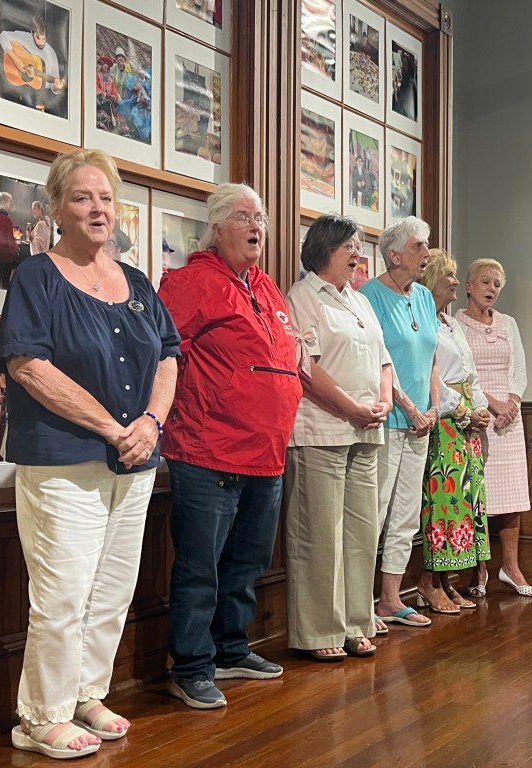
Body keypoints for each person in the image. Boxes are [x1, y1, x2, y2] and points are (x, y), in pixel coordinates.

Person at [0, 148, 180, 758]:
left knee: (111, 590)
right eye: (82, 197)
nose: (98, 208)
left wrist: (150, 422)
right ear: (54, 208)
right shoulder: (36, 276)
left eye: (105, 197)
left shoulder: (137, 282)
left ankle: (84, 694)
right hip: (63, 460)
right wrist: (112, 427)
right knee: (63, 592)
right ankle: (39, 715)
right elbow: (27, 365)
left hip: (137, 458)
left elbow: (169, 358)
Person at [158, 184, 302, 710]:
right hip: (207, 450)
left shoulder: (267, 287)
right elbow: (161, 354)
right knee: (201, 565)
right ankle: (191, 665)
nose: (256, 225)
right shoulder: (190, 282)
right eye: (244, 216)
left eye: (260, 215)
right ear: (217, 228)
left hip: (267, 452)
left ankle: (230, 649)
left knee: (248, 561)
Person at [284, 214, 393, 661]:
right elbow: (305, 366)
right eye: (349, 245)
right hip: (322, 428)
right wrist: (350, 407)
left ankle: (356, 622)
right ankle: (320, 631)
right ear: (324, 248)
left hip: (368, 429)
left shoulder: (359, 300)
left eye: (360, 246)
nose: (357, 254)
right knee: (319, 535)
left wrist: (383, 402)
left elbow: (384, 360)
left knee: (362, 533)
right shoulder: (303, 296)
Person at [359, 216, 439, 628]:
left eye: (426, 246)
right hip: (388, 419)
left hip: (421, 421)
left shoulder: (424, 296)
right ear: (393, 254)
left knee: (407, 514)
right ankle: (359, 603)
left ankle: (390, 598)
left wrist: (432, 409)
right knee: (376, 510)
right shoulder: (368, 295)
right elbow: (375, 361)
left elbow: (432, 359)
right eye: (418, 246)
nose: (427, 253)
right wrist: (408, 407)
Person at [416, 249, 492, 613]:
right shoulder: (423, 321)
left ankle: (448, 580)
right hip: (443, 419)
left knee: (464, 503)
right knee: (441, 502)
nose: (454, 282)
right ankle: (428, 581)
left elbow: (470, 372)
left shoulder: (451, 323)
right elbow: (431, 377)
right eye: (448, 275)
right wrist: (460, 410)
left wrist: (479, 407)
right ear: (431, 278)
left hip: (466, 425)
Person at [456, 259, 532, 597]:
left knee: (512, 496)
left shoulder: (509, 323)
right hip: (478, 417)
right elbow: (459, 372)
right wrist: (491, 404)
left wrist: (512, 404)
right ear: (469, 286)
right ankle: (479, 569)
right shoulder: (455, 324)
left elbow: (519, 368)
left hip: (508, 421)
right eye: (485, 282)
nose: (492, 289)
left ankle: (511, 566)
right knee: (479, 495)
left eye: (497, 285)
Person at [0, 15, 65, 109]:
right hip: (13, 82)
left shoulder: (50, 54)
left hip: (34, 94)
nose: (41, 43)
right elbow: (2, 36)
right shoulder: (25, 37)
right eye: (38, 38)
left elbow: (52, 88)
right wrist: (15, 59)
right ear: (31, 33)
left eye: (44, 39)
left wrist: (56, 88)